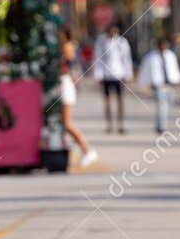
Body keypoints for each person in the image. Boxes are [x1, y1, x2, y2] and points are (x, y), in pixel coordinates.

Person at [56, 29, 98, 168]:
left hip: (65, 85)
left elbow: (66, 66)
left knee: (67, 123)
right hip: (63, 85)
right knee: (62, 124)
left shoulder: (67, 47)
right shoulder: (65, 47)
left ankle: (87, 150)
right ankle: (73, 147)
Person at [90, 23, 133, 133]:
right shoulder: (101, 41)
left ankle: (120, 125)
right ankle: (109, 125)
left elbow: (126, 59)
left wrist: (128, 74)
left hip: (119, 74)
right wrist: (98, 74)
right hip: (106, 75)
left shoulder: (122, 42)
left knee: (120, 101)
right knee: (108, 101)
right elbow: (98, 58)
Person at [138, 36, 180, 134]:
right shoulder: (151, 57)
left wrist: (177, 79)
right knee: (162, 106)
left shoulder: (171, 55)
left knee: (167, 105)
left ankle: (160, 125)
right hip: (159, 84)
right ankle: (162, 127)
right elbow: (146, 71)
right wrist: (146, 83)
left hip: (170, 84)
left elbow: (174, 69)